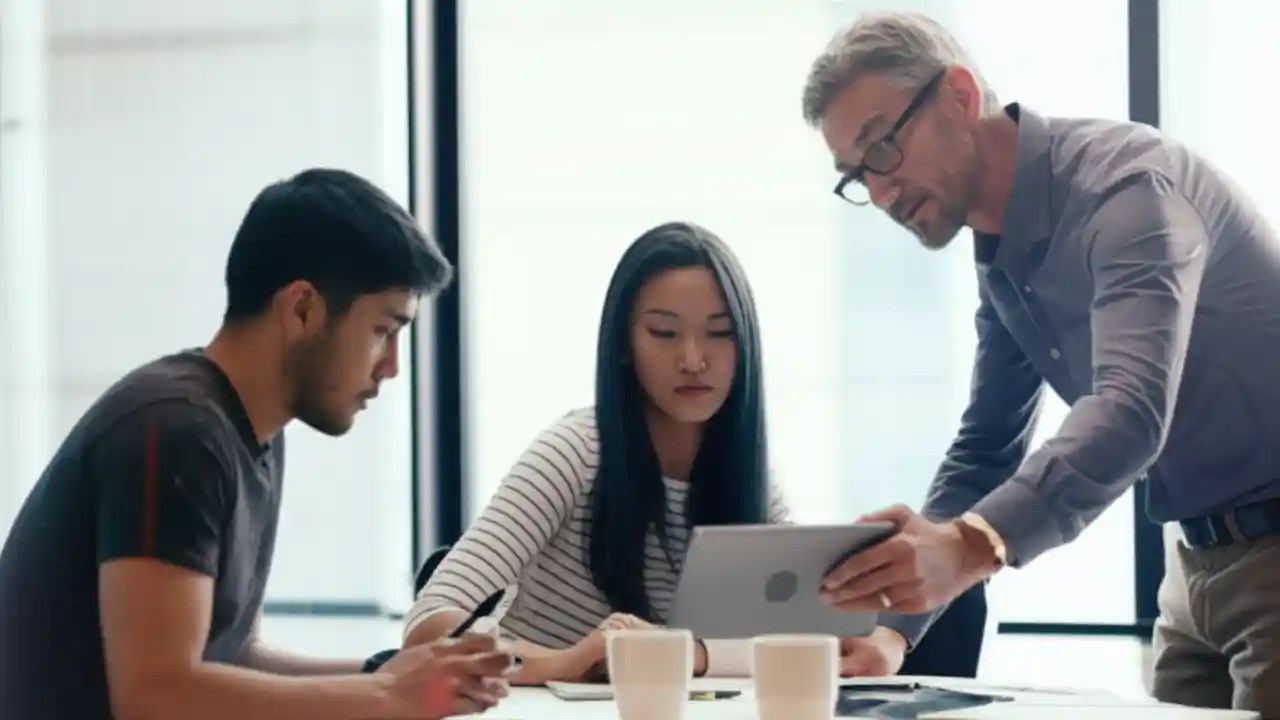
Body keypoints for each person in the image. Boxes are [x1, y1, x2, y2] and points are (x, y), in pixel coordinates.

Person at [802, 11, 1280, 715]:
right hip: (1195, 567)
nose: (879, 193)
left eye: (882, 150)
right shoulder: (1000, 260)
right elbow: (985, 450)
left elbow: (1130, 411)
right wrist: (891, 637)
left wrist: (969, 545)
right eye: (855, 176)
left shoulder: (1127, 191)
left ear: (961, 96)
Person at [0, 168, 513, 720]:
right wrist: (387, 696)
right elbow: (155, 695)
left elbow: (234, 654)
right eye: (384, 330)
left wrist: (386, 672)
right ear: (302, 309)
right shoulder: (176, 430)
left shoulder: (244, 428)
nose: (391, 367)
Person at [402, 222, 882, 681]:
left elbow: (800, 639)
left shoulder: (750, 473)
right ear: (625, 346)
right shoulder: (577, 450)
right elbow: (429, 628)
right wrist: (565, 662)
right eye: (664, 333)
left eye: (719, 333)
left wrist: (684, 656)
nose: (693, 359)